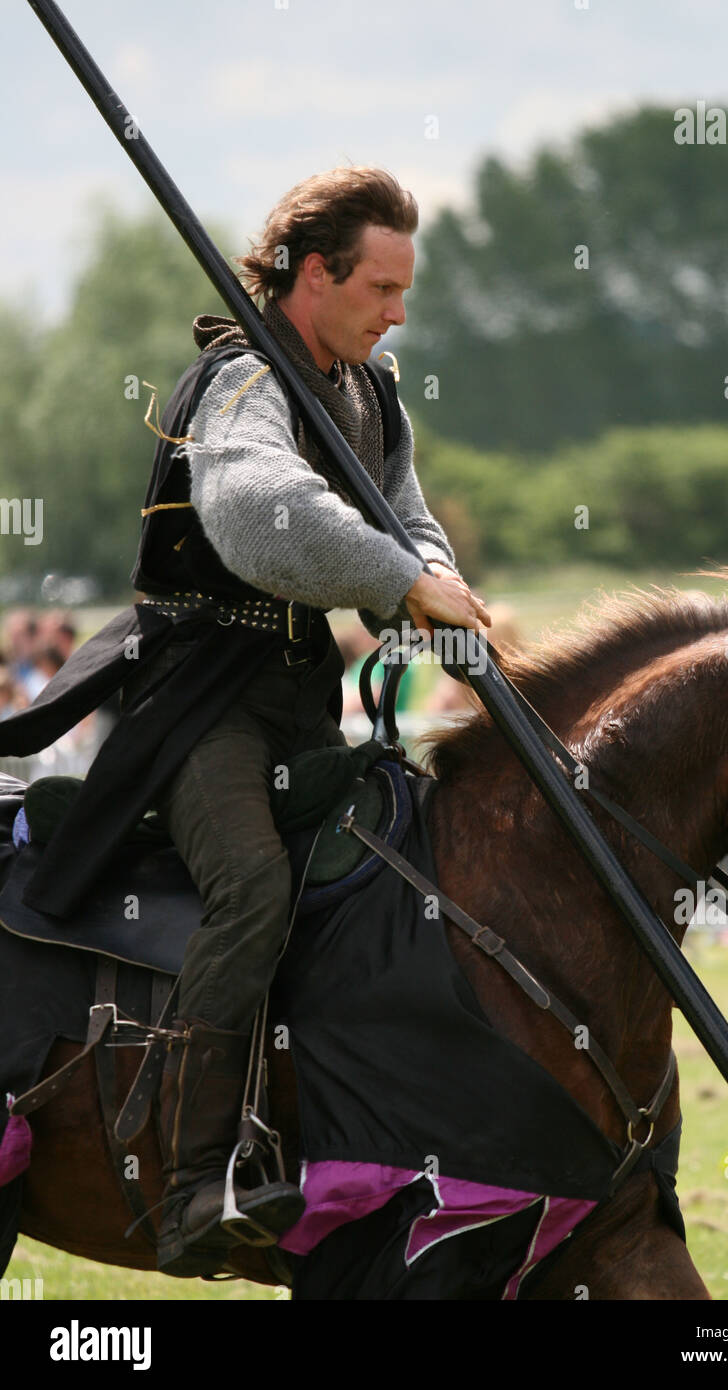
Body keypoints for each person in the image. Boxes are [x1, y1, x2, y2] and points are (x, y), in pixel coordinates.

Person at [1, 166, 490, 1277]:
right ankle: (195, 1180)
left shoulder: (368, 386)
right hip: (195, 707)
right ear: (312, 275)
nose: (397, 309)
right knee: (253, 886)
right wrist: (398, 581)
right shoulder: (237, 385)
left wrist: (444, 600)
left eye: (404, 289)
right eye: (380, 286)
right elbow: (262, 517)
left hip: (295, 701)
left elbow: (402, 518)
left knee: (392, 870)